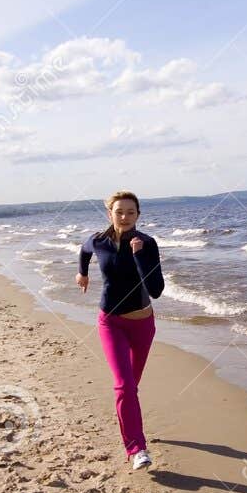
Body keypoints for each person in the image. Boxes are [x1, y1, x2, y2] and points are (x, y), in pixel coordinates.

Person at [77, 190, 164, 470]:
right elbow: (83, 250)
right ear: (110, 214)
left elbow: (156, 291)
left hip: (142, 324)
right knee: (125, 385)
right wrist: (83, 273)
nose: (124, 217)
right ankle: (137, 448)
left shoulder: (147, 244)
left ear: (138, 215)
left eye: (130, 212)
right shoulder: (98, 241)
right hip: (110, 322)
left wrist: (138, 256)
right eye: (119, 212)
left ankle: (130, 425)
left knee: (131, 386)